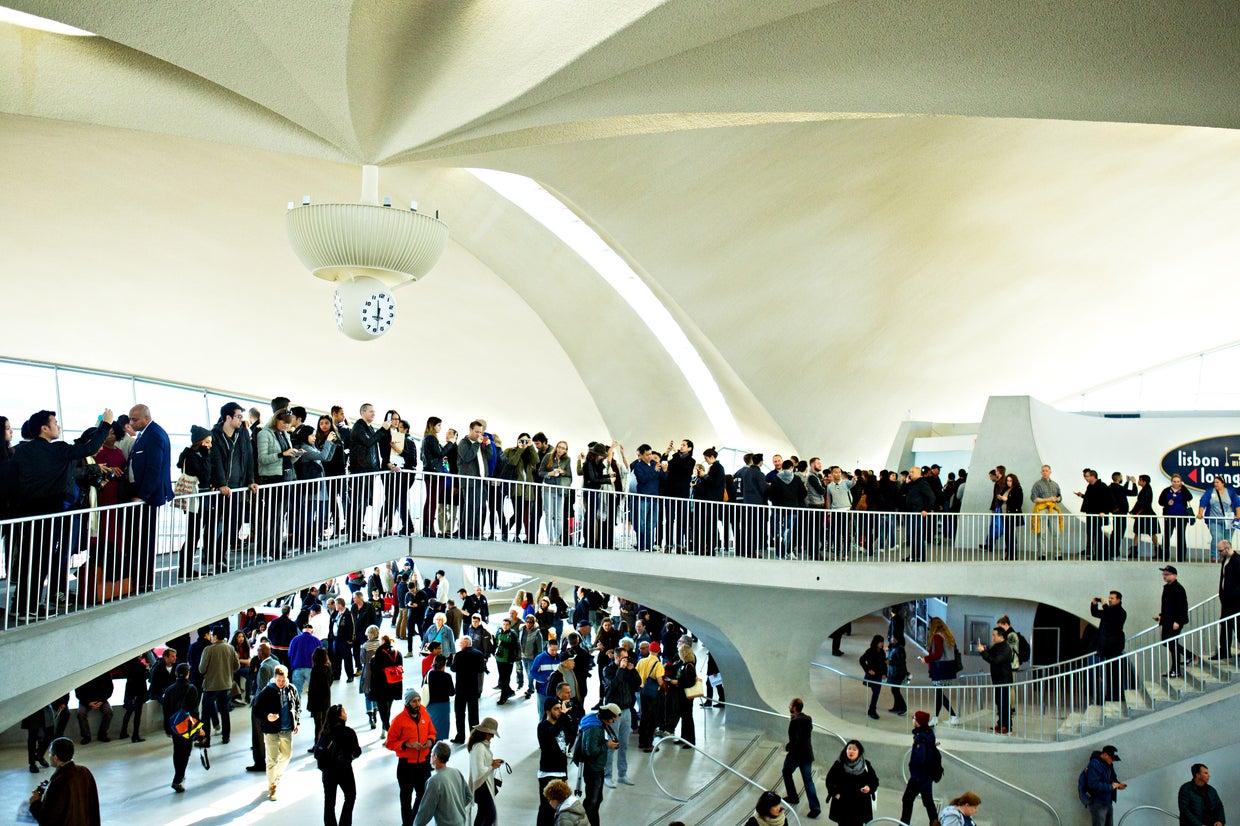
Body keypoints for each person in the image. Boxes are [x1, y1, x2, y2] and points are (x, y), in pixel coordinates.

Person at [126, 404, 174, 592]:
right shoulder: (146, 433)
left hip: (148, 498)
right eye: (130, 419)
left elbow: (154, 468)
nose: (131, 423)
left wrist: (142, 496)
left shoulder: (153, 435)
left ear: (147, 418)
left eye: (134, 419)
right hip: (145, 496)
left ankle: (144, 580)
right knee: (141, 539)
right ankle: (141, 579)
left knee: (144, 540)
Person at [386, 688, 438, 824]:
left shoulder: (425, 716)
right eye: (414, 701)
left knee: (423, 794)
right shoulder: (398, 720)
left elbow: (432, 732)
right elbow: (389, 743)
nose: (417, 703)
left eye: (419, 700)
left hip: (423, 763)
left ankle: (414, 820)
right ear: (407, 703)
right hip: (406, 766)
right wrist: (407, 745)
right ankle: (407, 823)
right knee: (406, 798)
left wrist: (430, 741)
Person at [27, 737, 100, 826]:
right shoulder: (84, 772)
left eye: (50, 753)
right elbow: (94, 809)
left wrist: (35, 803)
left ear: (55, 758)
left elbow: (47, 820)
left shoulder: (59, 782)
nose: (49, 756)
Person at [254, 664, 300, 801]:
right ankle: (272, 786)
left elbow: (297, 705)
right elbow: (256, 710)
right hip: (271, 731)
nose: (281, 683)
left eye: (283, 680)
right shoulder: (266, 692)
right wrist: (267, 717)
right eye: (279, 680)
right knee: (272, 759)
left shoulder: (292, 689)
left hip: (286, 730)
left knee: (286, 755)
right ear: (274, 678)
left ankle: (277, 776)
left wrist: (296, 721)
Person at [315, 704, 361, 826]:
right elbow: (357, 751)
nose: (346, 713)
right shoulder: (348, 732)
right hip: (344, 771)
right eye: (344, 712)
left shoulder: (325, 732)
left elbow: (317, 753)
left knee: (329, 802)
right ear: (339, 716)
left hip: (327, 772)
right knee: (350, 796)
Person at [160, 662, 199, 793]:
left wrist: (167, 728)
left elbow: (165, 711)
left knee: (177, 751)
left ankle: (179, 773)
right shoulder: (192, 688)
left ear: (176, 674)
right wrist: (198, 728)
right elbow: (194, 711)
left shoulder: (169, 689)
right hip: (187, 725)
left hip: (174, 725)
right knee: (186, 752)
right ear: (188, 674)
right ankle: (178, 778)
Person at [199, 624, 240, 747]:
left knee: (205, 715)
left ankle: (206, 741)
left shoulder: (209, 649)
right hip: (226, 685)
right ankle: (226, 737)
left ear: (215, 636)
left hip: (210, 687)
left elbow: (201, 669)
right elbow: (236, 666)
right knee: (225, 712)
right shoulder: (230, 648)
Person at [781, 698, 822, 817]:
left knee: (786, 772)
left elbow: (794, 740)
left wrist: (788, 747)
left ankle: (793, 796)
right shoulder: (808, 718)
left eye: (790, 705)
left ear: (794, 708)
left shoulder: (794, 721)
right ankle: (815, 807)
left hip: (795, 755)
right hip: (807, 754)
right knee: (808, 780)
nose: (789, 707)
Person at [414, 741, 471, 826]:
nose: (430, 756)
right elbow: (469, 796)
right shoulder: (456, 772)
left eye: (431, 754)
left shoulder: (434, 781)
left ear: (435, 757)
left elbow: (425, 810)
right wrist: (456, 810)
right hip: (461, 822)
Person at [579, 705, 620, 826]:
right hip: (593, 769)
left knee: (597, 800)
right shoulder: (594, 729)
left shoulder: (596, 721)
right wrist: (607, 745)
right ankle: (580, 822)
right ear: (608, 716)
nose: (613, 722)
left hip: (597, 768)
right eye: (613, 719)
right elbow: (591, 752)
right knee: (592, 801)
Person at [537, 698, 575, 826]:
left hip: (560, 773)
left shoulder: (561, 724)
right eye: (556, 709)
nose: (559, 711)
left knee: (558, 809)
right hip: (547, 774)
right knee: (546, 808)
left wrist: (565, 776)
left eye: (560, 708)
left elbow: (569, 740)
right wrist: (563, 717)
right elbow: (552, 733)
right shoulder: (542, 727)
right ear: (548, 711)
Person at [824, 739, 879, 826]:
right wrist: (835, 794)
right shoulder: (839, 764)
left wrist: (869, 788)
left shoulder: (866, 765)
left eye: (854, 749)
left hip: (860, 806)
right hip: (843, 805)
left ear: (859, 752)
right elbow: (829, 780)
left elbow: (874, 781)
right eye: (849, 748)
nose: (851, 751)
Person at [900, 711, 939, 825]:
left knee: (907, 800)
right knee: (928, 801)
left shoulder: (920, 738)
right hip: (928, 776)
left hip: (919, 776)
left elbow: (920, 758)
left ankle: (904, 823)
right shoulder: (929, 733)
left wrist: (913, 768)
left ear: (918, 722)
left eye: (914, 718)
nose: (913, 719)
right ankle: (935, 822)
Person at [919, 616, 959, 724]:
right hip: (949, 667)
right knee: (939, 693)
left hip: (940, 668)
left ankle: (952, 716)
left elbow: (938, 653)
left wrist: (926, 659)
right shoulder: (948, 636)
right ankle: (937, 717)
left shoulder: (937, 636)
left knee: (939, 693)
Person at [1091, 592, 1127, 702]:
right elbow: (1095, 613)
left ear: (1118, 600)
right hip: (1107, 647)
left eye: (1112, 598)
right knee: (1108, 674)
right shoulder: (1108, 611)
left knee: (1115, 674)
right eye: (1109, 598)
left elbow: (1112, 617)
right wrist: (1093, 604)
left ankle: (1117, 696)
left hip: (1115, 647)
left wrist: (1105, 605)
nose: (1110, 600)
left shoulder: (1121, 612)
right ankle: (1111, 695)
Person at [1157, 566, 1192, 678]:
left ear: (1174, 575)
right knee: (1167, 642)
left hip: (1174, 622)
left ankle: (1176, 669)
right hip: (1168, 621)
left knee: (1172, 643)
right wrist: (1161, 616)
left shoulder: (1178, 588)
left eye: (1167, 574)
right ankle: (1187, 656)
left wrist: (1178, 621)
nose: (1164, 576)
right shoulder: (1168, 588)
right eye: (1164, 574)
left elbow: (1182, 606)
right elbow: (1168, 606)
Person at [468, 717, 503, 826]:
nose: (492, 737)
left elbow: (480, 764)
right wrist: (492, 766)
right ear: (485, 732)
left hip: (481, 785)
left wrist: (492, 762)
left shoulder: (479, 746)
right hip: (481, 786)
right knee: (490, 814)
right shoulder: (479, 747)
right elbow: (479, 770)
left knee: (483, 812)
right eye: (491, 734)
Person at [451, 635, 487, 743]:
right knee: (473, 713)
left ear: (465, 643)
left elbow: (453, 668)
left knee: (460, 713)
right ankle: (474, 737)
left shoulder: (459, 655)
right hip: (473, 687)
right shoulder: (478, 654)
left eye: (461, 643)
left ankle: (460, 736)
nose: (460, 645)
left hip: (461, 688)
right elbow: (481, 669)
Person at [977, 628, 1013, 734]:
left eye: (994, 635)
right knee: (999, 702)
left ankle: (1007, 726)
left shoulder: (1006, 649)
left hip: (1004, 680)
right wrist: (983, 650)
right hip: (997, 679)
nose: (992, 637)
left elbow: (995, 660)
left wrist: (983, 652)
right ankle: (1000, 723)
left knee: (1005, 703)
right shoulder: (997, 646)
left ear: (1001, 636)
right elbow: (989, 653)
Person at [1083, 745, 1127, 826]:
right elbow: (1093, 784)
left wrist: (1118, 784)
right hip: (1098, 802)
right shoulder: (1094, 764)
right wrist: (1111, 786)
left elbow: (1113, 778)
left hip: (1107, 801)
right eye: (1111, 758)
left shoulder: (1108, 764)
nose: (1112, 761)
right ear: (1105, 755)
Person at [1197, 478, 1240, 557]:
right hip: (1214, 520)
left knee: (1227, 540)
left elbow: (1237, 503)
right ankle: (1214, 557)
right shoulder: (1210, 491)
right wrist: (1200, 513)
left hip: (1229, 520)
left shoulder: (1230, 492)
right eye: (1214, 482)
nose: (1215, 484)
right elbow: (1203, 501)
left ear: (1223, 483)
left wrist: (1238, 514)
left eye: (1217, 482)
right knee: (1217, 537)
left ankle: (1226, 557)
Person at [1158, 475, 1194, 562]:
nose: (1176, 483)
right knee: (1166, 536)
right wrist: (1167, 502)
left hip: (1182, 517)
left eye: (1178, 481)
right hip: (1169, 517)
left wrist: (1184, 487)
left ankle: (1181, 558)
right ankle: (1165, 556)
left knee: (1181, 537)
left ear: (1180, 482)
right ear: (1171, 481)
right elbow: (1160, 501)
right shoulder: (1166, 490)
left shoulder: (1183, 490)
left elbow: (1190, 497)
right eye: (1174, 481)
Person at [1217, 540, 1240, 661]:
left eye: (1220, 550)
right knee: (1225, 625)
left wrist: (1233, 595)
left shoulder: (1237, 560)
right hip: (1226, 600)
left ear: (1227, 549)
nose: (1219, 553)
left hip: (1235, 602)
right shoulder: (1225, 560)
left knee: (1237, 626)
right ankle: (1224, 651)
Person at [860, 635, 886, 720]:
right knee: (876, 692)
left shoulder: (882, 652)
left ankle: (872, 709)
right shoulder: (870, 651)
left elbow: (884, 664)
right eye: (880, 642)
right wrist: (868, 670)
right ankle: (872, 710)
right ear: (876, 642)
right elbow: (861, 660)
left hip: (878, 676)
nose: (882, 644)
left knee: (876, 693)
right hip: (872, 676)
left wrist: (884, 673)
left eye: (882, 642)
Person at [887, 633, 908, 716]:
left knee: (895, 690)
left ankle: (903, 707)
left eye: (894, 637)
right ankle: (897, 707)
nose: (892, 639)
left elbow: (901, 661)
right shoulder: (893, 646)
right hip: (893, 672)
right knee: (894, 690)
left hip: (899, 673)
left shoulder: (900, 648)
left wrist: (890, 662)